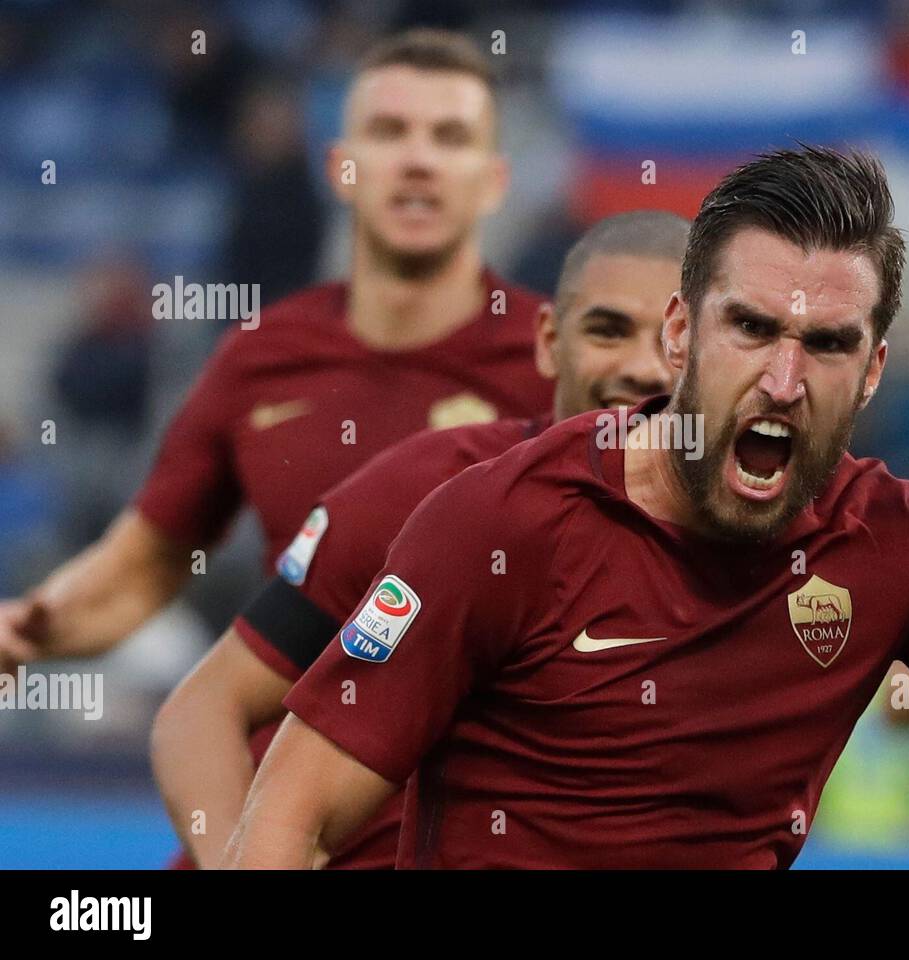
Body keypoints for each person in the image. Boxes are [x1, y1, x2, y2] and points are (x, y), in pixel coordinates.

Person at [226, 146, 909, 869]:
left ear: (875, 369)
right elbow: (289, 822)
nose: (785, 381)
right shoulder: (502, 523)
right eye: (750, 328)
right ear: (681, 334)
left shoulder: (899, 548)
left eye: (829, 345)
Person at [0, 29, 550, 674]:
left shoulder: (559, 356)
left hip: (485, 767)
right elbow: (144, 564)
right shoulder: (263, 354)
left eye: (450, 137)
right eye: (390, 131)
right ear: (340, 169)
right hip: (278, 762)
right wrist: (28, 625)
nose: (417, 160)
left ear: (493, 180)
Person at [150, 211, 689, 868]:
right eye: (607, 330)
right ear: (549, 340)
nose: (642, 368)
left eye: (671, 341)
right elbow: (203, 710)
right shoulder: (429, 489)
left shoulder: (758, 555)